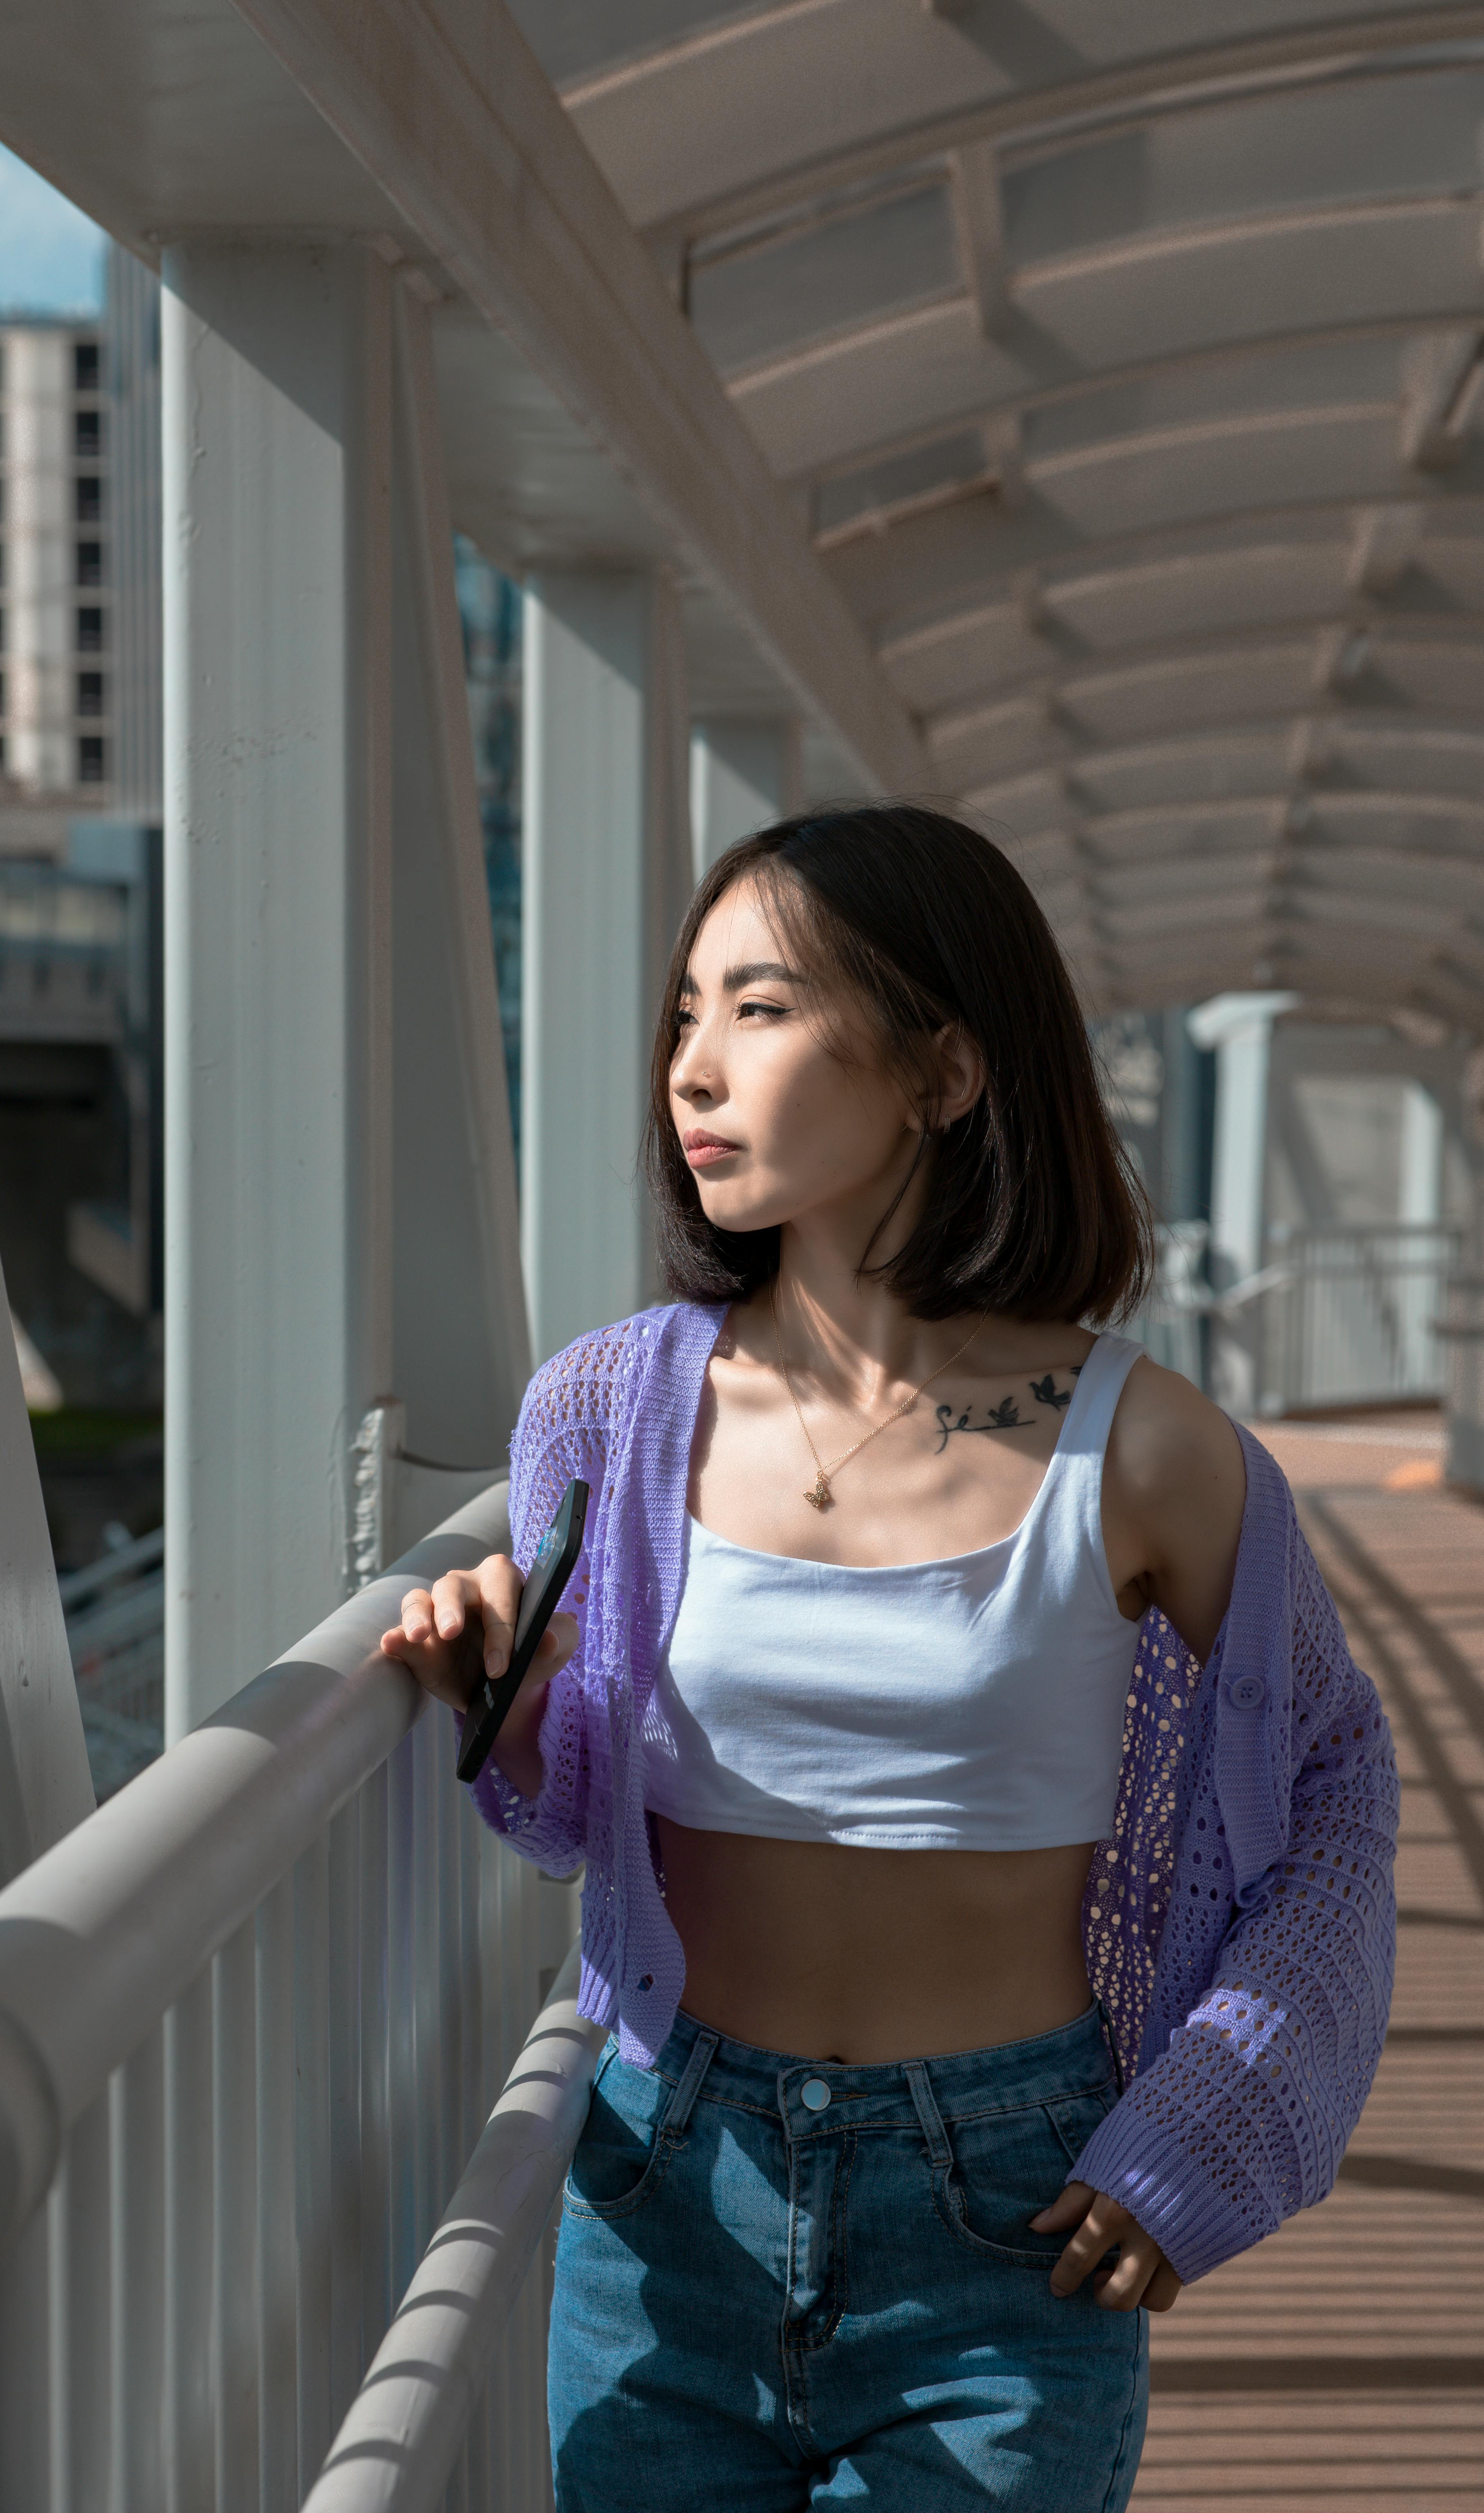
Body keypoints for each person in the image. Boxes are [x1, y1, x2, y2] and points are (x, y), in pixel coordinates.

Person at [382, 806, 1399, 2512]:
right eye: (684, 1017)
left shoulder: (1142, 1450)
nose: (692, 1070)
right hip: (664, 2190)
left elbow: (1332, 1788)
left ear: (941, 1071)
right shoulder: (605, 1411)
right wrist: (512, 1692)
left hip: (1007, 2220)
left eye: (760, 1010)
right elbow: (569, 1813)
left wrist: (1211, 2119)